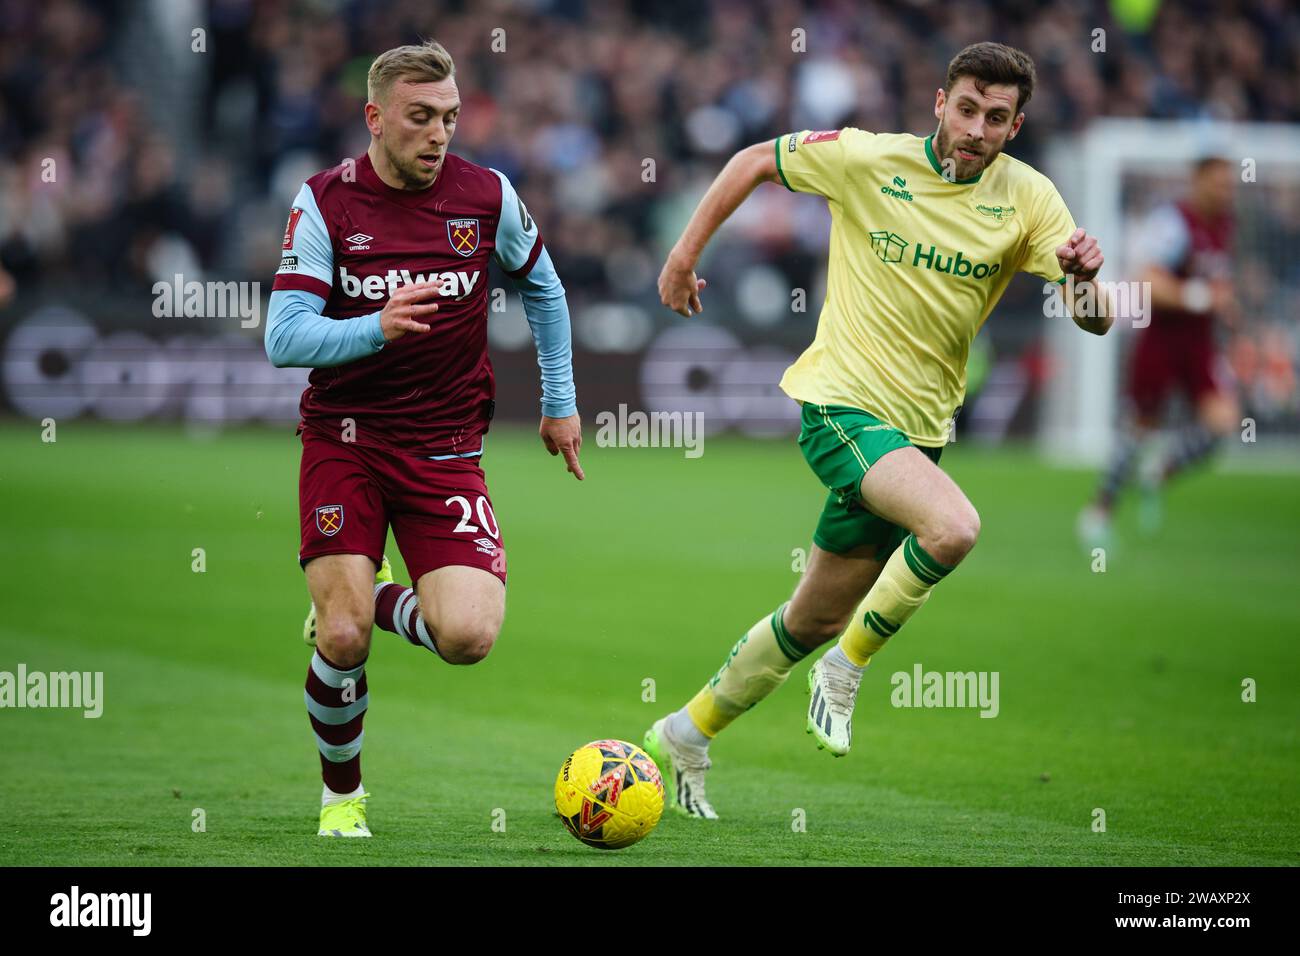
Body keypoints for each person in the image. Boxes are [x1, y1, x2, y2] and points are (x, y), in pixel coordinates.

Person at [646, 42, 1111, 819]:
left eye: (996, 118)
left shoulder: (1030, 200)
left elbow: (1093, 324)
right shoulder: (867, 160)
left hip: (917, 433)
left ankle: (686, 732)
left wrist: (1090, 283)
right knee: (954, 527)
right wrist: (684, 254)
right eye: (966, 108)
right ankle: (847, 670)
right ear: (939, 102)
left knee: (813, 616)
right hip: (840, 406)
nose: (977, 128)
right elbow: (755, 159)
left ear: (1015, 126)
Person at [264, 40, 583, 837]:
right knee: (341, 637)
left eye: (449, 117)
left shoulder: (487, 196)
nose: (439, 134)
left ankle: (365, 596)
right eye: (420, 118)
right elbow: (284, 335)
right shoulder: (325, 203)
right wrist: (376, 327)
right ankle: (343, 799)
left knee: (469, 637)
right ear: (375, 117)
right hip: (346, 441)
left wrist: (561, 401)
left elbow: (543, 286)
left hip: (445, 449)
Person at [1079, 157, 1238, 544]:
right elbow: (1146, 277)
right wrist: (1201, 297)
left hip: (1199, 342)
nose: (1224, 191)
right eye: (1217, 183)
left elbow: (1217, 280)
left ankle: (1160, 470)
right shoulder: (1174, 222)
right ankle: (1099, 510)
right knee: (1138, 430)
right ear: (1197, 181)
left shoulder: (1225, 224)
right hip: (1162, 338)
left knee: (1222, 424)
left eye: (1228, 184)